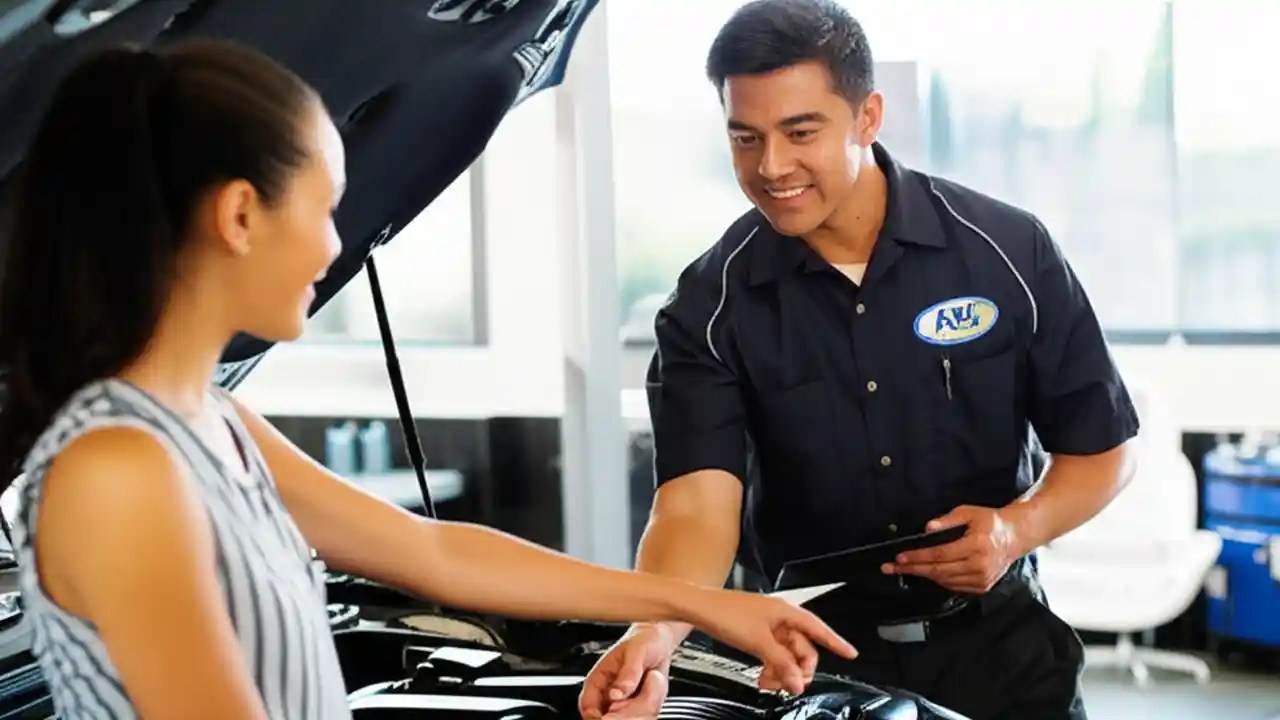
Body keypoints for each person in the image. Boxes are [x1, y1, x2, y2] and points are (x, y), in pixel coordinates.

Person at [0, 40, 856, 720]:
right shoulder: (117, 471)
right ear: (238, 215)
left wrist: (700, 609)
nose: (339, 246)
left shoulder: (213, 424)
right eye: (326, 207)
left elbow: (433, 553)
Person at [579, 1, 1139, 719]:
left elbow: (1105, 451)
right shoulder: (709, 303)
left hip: (1003, 656)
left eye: (799, 132)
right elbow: (694, 505)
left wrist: (1015, 530)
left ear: (867, 117)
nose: (771, 167)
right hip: (810, 664)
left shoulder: (1007, 252)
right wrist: (656, 626)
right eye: (745, 138)